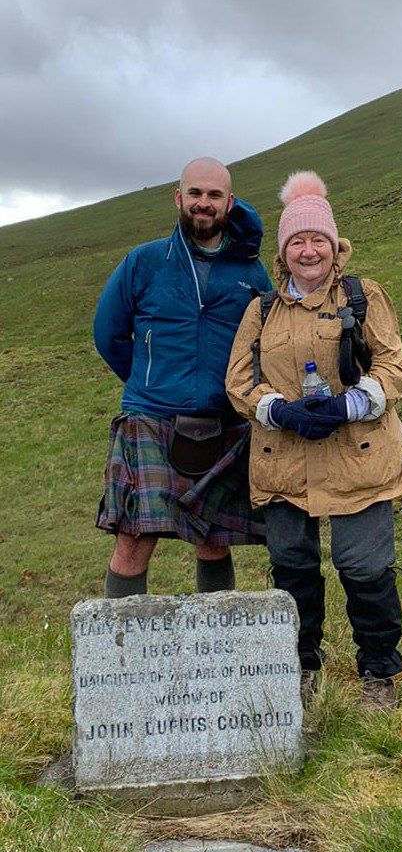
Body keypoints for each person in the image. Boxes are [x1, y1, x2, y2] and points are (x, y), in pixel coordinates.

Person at [226, 171, 402, 709]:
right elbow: (238, 380)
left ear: (334, 246)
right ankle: (301, 669)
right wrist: (280, 411)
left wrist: (350, 404)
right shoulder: (260, 310)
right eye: (297, 242)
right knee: (292, 567)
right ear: (283, 252)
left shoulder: (365, 295)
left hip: (359, 458)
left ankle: (379, 674)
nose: (308, 251)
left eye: (318, 240)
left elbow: (393, 367)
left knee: (363, 567)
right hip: (283, 461)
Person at [94, 157, 273, 598]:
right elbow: (108, 333)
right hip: (151, 417)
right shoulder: (144, 261)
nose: (203, 204)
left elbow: (266, 341)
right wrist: (148, 380)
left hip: (222, 419)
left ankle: (217, 655)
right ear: (178, 198)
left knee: (213, 540)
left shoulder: (249, 273)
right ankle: (122, 657)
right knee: (133, 540)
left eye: (214, 195)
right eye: (194, 193)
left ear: (230, 203)